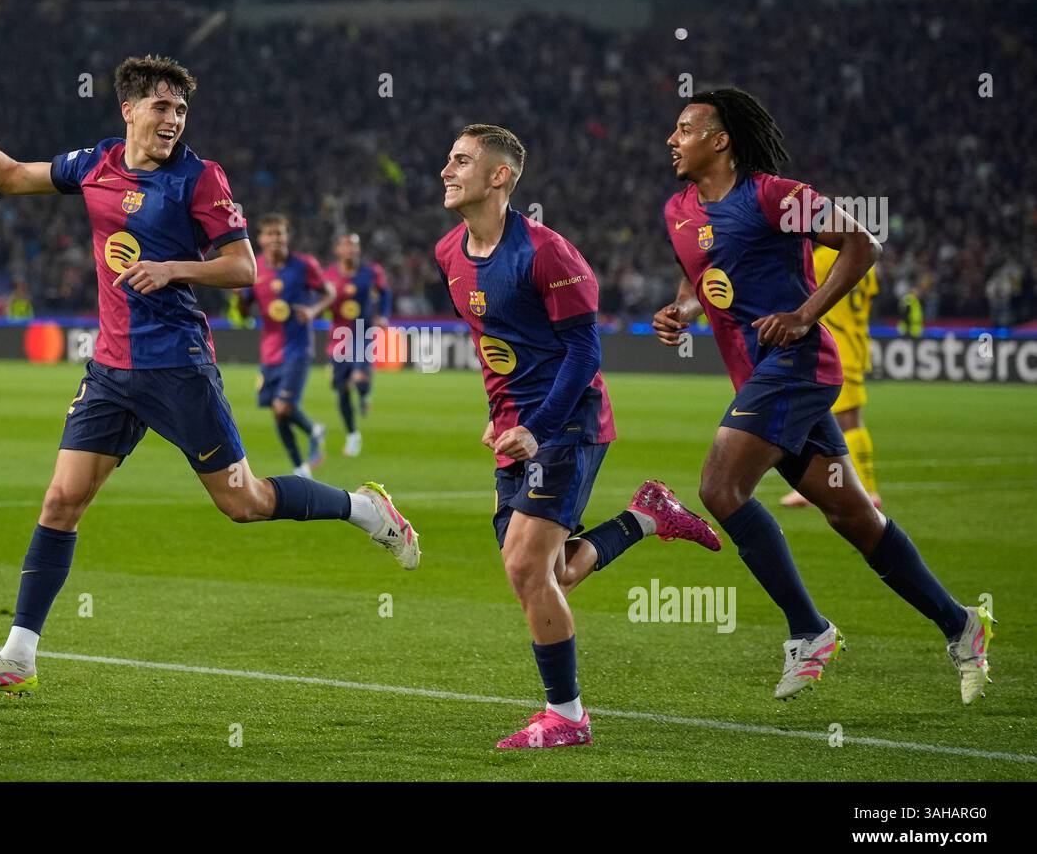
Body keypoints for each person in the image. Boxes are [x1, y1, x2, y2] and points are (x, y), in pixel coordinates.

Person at [0, 56, 420, 696]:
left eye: (181, 110)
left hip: (176, 366)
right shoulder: (95, 163)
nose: (173, 121)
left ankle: (363, 507)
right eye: (162, 108)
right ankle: (19, 655)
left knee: (242, 503)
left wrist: (174, 269)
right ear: (128, 110)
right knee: (60, 502)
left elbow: (243, 268)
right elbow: (11, 175)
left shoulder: (200, 178)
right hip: (110, 370)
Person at [654, 87, 992, 703]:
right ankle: (961, 624)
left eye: (685, 129)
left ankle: (809, 630)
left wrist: (805, 314)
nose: (672, 140)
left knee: (719, 488)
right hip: (761, 377)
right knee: (854, 517)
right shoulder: (677, 208)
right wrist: (680, 309)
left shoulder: (774, 196)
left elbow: (864, 243)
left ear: (721, 140)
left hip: (797, 366)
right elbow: (698, 267)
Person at [437, 124, 720, 749]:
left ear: (499, 176)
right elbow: (496, 343)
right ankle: (645, 517)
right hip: (519, 428)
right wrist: (499, 411)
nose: (446, 171)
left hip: (568, 425)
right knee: (551, 573)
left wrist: (536, 428)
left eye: (461, 161)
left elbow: (583, 352)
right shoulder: (448, 253)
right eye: (448, 160)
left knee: (523, 565)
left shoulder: (548, 254)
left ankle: (566, 716)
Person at [781, 245, 881, 508]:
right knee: (817, 418)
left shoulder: (824, 258)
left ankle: (868, 491)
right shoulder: (856, 256)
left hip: (839, 348)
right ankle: (813, 488)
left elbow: (804, 296)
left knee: (848, 420)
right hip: (855, 342)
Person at [238, 213, 333, 477]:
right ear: (260, 238)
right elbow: (245, 315)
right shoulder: (253, 268)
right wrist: (239, 298)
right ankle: (301, 465)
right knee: (278, 414)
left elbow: (330, 292)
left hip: (297, 348)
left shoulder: (304, 265)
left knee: (283, 407)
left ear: (287, 236)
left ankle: (313, 433)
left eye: (279, 233)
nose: (275, 239)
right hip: (269, 351)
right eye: (270, 234)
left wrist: (314, 311)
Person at [324, 231, 390, 456]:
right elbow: (320, 296)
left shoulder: (372, 272)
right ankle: (353, 434)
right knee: (341, 389)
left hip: (363, 331)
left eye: (354, 245)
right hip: (339, 337)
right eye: (346, 246)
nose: (350, 250)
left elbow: (385, 293)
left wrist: (383, 315)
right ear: (338, 250)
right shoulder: (329, 274)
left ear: (358, 249)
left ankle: (363, 392)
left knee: (360, 377)